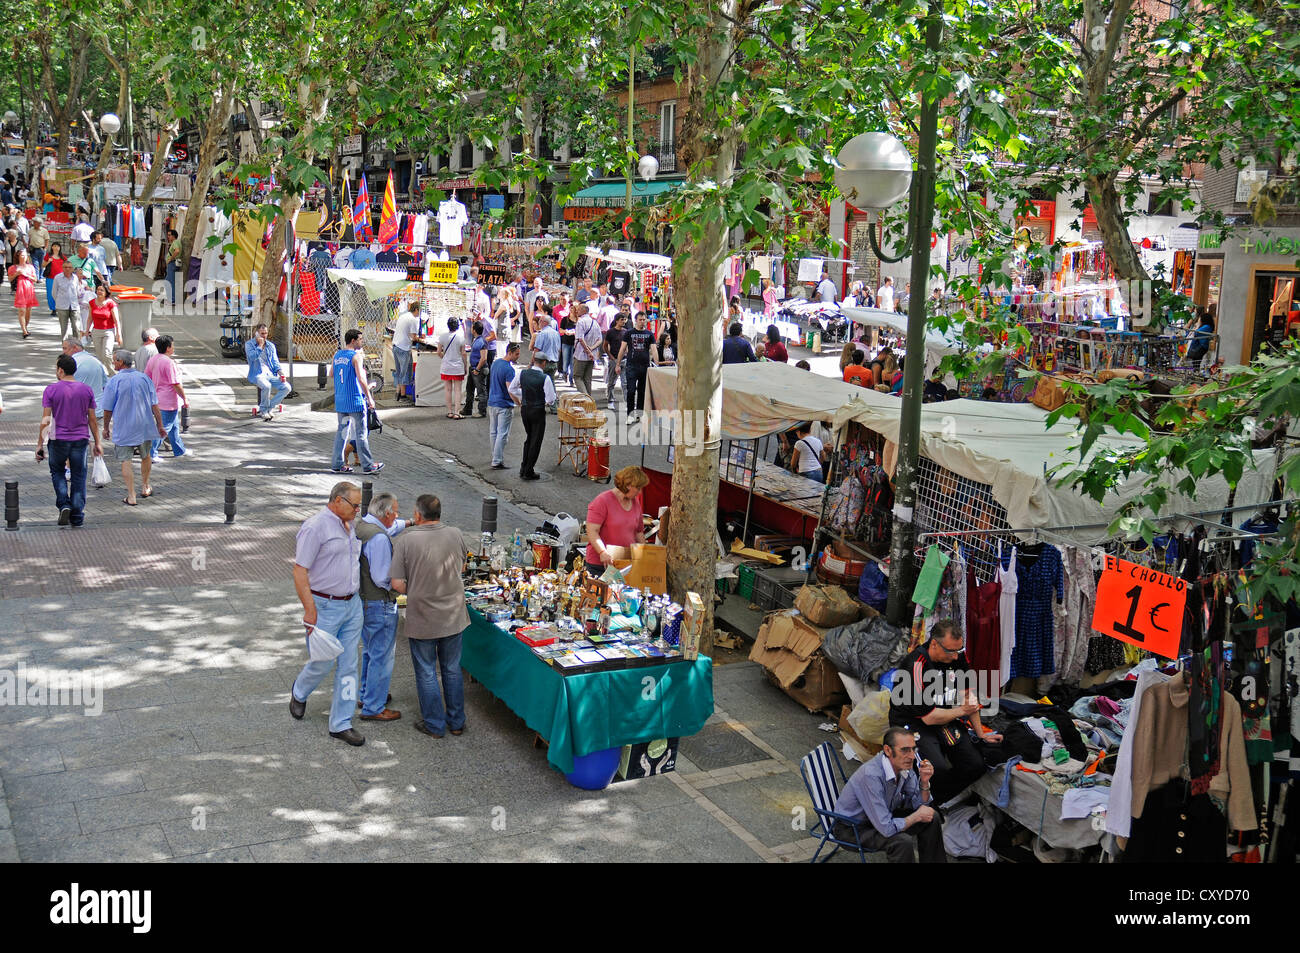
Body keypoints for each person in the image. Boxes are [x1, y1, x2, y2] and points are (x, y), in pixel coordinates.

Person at [288, 482, 368, 747]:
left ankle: (341, 723)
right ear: (337, 500)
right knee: (322, 662)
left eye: (359, 505)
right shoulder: (314, 527)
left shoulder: (349, 524)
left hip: (351, 605)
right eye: (354, 505)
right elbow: (300, 571)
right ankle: (300, 691)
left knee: (348, 665)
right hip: (325, 607)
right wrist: (309, 609)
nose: (358, 510)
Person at [889, 620, 999, 806]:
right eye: (951, 651)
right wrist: (962, 710)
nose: (956, 657)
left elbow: (968, 696)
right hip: (914, 723)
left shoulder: (957, 656)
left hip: (945, 717)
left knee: (975, 765)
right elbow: (929, 717)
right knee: (936, 768)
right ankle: (919, 805)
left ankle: (935, 802)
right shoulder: (916, 666)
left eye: (959, 650)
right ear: (934, 643)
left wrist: (981, 734)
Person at [390, 494, 470, 739]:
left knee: (426, 670)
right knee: (452, 668)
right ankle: (456, 722)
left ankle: (434, 724)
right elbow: (463, 567)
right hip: (454, 614)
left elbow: (397, 583)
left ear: (417, 515)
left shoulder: (406, 541)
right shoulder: (455, 533)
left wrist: (417, 589)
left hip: (423, 616)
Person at [833, 726, 946, 863]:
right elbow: (886, 828)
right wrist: (916, 817)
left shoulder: (904, 766)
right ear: (887, 750)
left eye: (913, 749)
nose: (911, 756)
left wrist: (924, 782)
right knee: (901, 842)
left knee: (931, 816)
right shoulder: (871, 775)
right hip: (853, 828)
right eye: (905, 750)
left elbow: (920, 804)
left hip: (881, 816)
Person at [36, 354, 103, 527]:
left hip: (58, 439)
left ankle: (64, 503)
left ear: (60, 370)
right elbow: (92, 419)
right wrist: (98, 442)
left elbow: (46, 419)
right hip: (80, 439)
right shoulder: (86, 390)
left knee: (57, 472)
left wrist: (39, 445)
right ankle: (77, 515)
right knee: (79, 476)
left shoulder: (51, 390)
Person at [357, 492, 406, 723]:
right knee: (382, 655)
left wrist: (409, 523)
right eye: (395, 512)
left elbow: (392, 527)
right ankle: (373, 706)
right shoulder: (378, 539)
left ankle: (367, 694)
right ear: (387, 514)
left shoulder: (364, 526)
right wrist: (398, 586)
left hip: (364, 600)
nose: (397, 515)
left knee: (370, 650)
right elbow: (381, 577)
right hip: (380, 602)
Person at [101, 350, 166, 506]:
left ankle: (131, 495)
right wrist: (159, 424)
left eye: (114, 360)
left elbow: (108, 408)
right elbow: (154, 404)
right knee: (146, 455)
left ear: (121, 362)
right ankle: (145, 485)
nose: (113, 363)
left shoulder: (114, 381)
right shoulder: (144, 378)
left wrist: (105, 427)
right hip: (144, 424)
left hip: (124, 427)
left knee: (126, 460)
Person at [330, 328, 381, 473]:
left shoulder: (337, 355)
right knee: (361, 434)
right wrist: (369, 397)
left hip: (341, 401)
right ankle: (368, 465)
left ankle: (337, 464)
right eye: (360, 339)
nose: (362, 341)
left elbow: (331, 374)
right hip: (355, 401)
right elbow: (361, 378)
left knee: (342, 433)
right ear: (353, 340)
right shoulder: (356, 356)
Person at [584, 466, 649, 575]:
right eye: (638, 488)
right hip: (601, 565)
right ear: (628, 485)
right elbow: (592, 531)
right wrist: (602, 552)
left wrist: (645, 553)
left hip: (625, 563)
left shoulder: (635, 503)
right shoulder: (602, 501)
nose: (640, 492)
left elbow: (638, 531)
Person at [510, 355, 556, 481]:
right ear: (544, 363)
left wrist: (524, 394)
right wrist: (546, 402)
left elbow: (512, 388)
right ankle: (528, 470)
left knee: (529, 438)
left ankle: (524, 467)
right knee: (535, 441)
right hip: (537, 410)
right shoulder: (545, 378)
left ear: (534, 361)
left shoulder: (522, 373)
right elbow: (551, 399)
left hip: (525, 408)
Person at [146, 335, 191, 460]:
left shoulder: (153, 359)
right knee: (164, 428)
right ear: (168, 348)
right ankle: (151, 453)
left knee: (174, 427)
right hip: (168, 401)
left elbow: (147, 377)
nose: (173, 347)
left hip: (156, 399)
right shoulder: (168, 362)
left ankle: (179, 449)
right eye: (172, 345)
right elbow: (176, 384)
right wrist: (185, 398)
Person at [245, 323, 292, 420]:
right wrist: (260, 346)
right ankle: (263, 410)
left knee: (287, 387)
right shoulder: (249, 344)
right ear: (256, 333)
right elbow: (251, 357)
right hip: (257, 374)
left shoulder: (270, 346)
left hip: (270, 374)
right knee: (266, 386)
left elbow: (275, 362)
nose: (264, 336)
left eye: (265, 333)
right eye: (262, 333)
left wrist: (280, 372)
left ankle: (269, 407)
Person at [617, 310, 658, 422]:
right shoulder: (629, 333)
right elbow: (622, 349)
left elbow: (654, 350)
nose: (642, 322)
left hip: (645, 366)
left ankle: (639, 413)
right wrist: (618, 364)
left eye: (644, 320)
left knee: (642, 391)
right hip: (631, 366)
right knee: (631, 391)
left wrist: (657, 366)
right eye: (640, 320)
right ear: (636, 320)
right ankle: (630, 415)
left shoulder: (649, 334)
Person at [487, 341, 521, 469]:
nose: (518, 356)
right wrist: (518, 402)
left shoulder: (495, 364)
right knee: (502, 433)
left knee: (494, 432)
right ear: (510, 353)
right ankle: (497, 460)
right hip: (504, 404)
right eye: (516, 354)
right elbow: (510, 390)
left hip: (493, 402)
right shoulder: (509, 370)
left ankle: (495, 455)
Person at [435, 315, 467, 419]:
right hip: (458, 366)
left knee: (448, 389)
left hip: (446, 366)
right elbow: (463, 353)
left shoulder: (442, 337)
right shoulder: (461, 337)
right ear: (457, 326)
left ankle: (449, 411)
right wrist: (465, 366)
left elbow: (438, 352)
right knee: (458, 390)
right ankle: (457, 412)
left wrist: (444, 358)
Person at [571, 303, 602, 399]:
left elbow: (580, 338)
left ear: (584, 310)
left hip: (581, 354)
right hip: (592, 355)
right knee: (588, 379)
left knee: (577, 376)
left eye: (579, 309)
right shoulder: (595, 322)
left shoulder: (581, 322)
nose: (577, 311)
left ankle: (587, 399)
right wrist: (592, 349)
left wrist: (588, 351)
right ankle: (590, 401)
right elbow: (600, 340)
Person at [531, 313, 561, 410]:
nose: (538, 323)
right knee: (551, 383)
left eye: (540, 321)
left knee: (539, 384)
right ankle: (553, 405)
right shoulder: (556, 333)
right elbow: (559, 349)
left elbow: (536, 350)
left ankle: (540, 405)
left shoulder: (542, 334)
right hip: (554, 361)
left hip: (543, 362)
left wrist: (531, 363)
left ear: (544, 322)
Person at [461, 320, 490, 418]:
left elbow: (484, 358)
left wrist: (477, 369)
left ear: (474, 330)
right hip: (474, 368)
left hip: (479, 369)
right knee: (469, 389)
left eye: (472, 328)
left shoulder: (482, 341)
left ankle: (482, 411)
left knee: (481, 391)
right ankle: (468, 409)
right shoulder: (477, 340)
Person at [390, 306, 419, 401]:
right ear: (416, 309)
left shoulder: (403, 316)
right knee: (405, 371)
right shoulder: (413, 319)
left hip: (396, 345)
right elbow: (413, 337)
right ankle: (403, 395)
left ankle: (398, 392)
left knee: (399, 371)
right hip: (404, 348)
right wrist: (420, 338)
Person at [8, 247, 38, 338]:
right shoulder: (13, 267)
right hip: (20, 290)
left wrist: (26, 275)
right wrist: (16, 274)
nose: (24, 256)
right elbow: (10, 279)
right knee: (22, 311)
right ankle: (24, 331)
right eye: (22, 255)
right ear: (18, 256)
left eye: (25, 255)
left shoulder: (30, 267)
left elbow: (35, 279)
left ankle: (25, 327)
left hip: (29, 290)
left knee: (28, 311)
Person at [604, 311, 628, 411]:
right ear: (616, 321)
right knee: (611, 382)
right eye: (621, 320)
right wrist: (611, 357)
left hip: (624, 359)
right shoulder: (610, 332)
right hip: (613, 359)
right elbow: (605, 345)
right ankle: (610, 400)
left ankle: (627, 402)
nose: (623, 321)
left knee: (625, 382)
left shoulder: (626, 332)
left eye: (624, 319)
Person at [556, 293, 576, 385]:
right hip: (566, 341)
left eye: (574, 309)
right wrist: (565, 331)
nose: (572, 310)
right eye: (571, 308)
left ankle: (572, 380)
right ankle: (565, 373)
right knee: (565, 361)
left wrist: (574, 332)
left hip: (575, 343)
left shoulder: (579, 320)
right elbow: (560, 329)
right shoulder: (565, 319)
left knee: (572, 362)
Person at [42, 240, 65, 317]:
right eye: (54, 246)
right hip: (50, 277)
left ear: (60, 248)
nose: (56, 247)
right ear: (52, 247)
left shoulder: (62, 257)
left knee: (60, 293)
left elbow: (67, 265)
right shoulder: (48, 256)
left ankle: (60, 308)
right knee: (51, 294)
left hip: (61, 278)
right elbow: (43, 265)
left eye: (57, 246)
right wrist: (48, 261)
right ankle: (53, 308)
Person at [165, 228, 182, 307]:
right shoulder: (177, 242)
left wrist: (170, 259)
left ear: (173, 236)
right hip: (175, 263)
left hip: (172, 263)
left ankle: (172, 300)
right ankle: (171, 299)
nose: (168, 237)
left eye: (169, 235)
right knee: (170, 281)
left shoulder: (175, 242)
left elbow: (177, 251)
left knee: (170, 282)